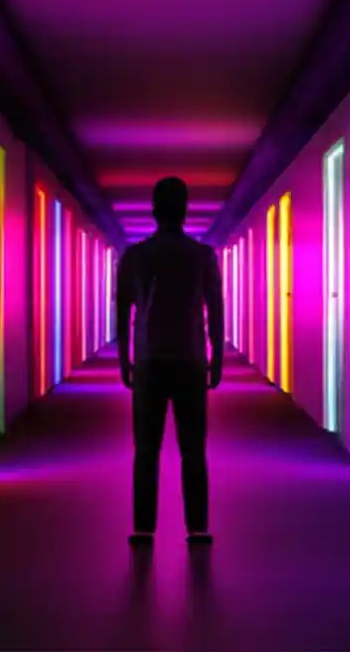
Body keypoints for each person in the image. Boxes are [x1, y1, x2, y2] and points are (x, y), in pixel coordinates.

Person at [115, 176, 223, 547]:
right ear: (185, 210)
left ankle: (143, 528)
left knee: (146, 450)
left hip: (149, 359)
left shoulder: (134, 257)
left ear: (154, 210)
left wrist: (124, 359)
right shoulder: (203, 256)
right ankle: (197, 528)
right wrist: (217, 354)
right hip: (191, 359)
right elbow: (215, 308)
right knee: (193, 449)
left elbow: (124, 311)